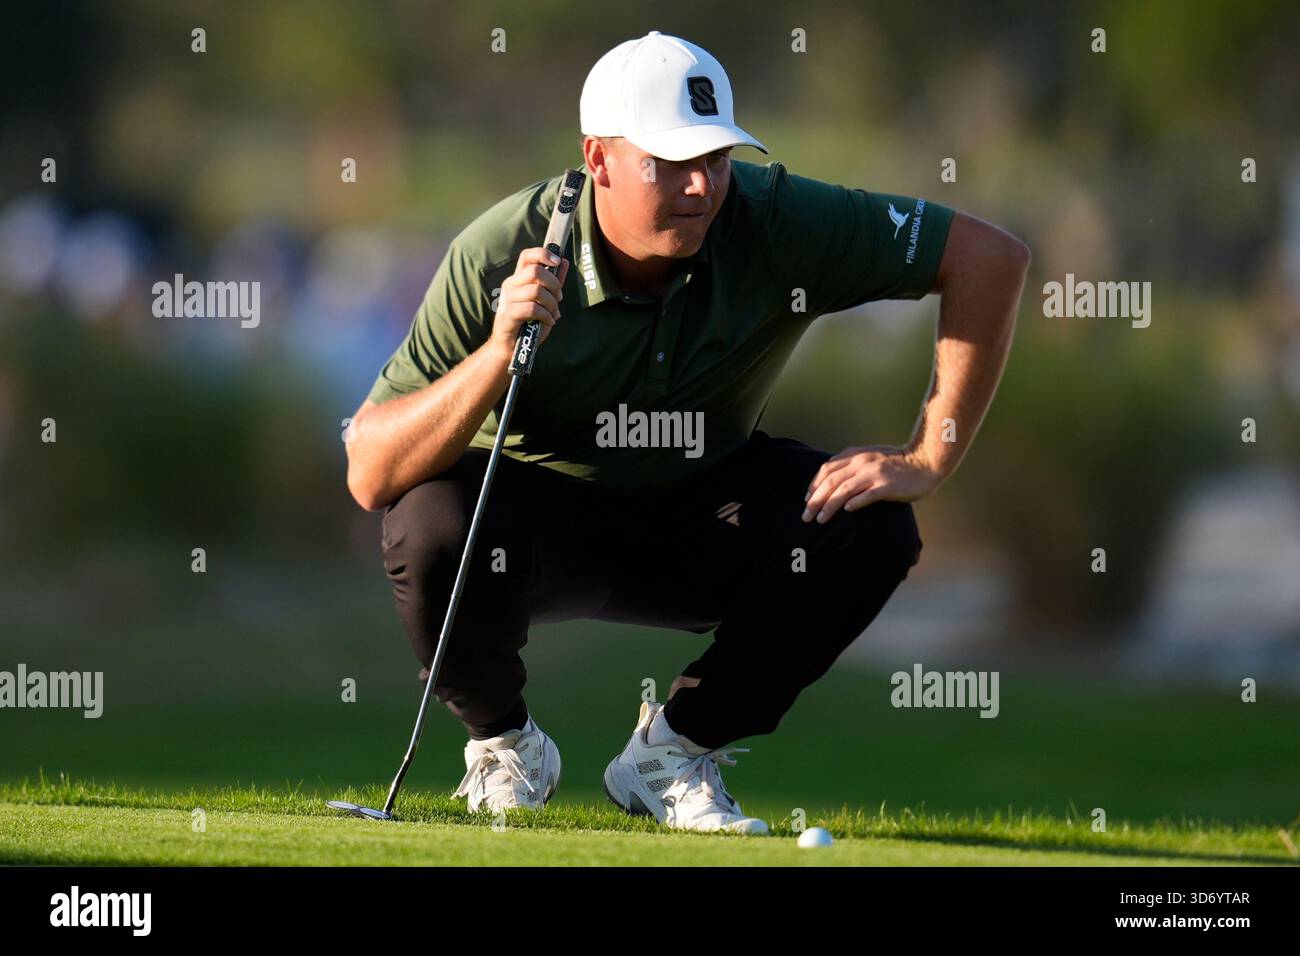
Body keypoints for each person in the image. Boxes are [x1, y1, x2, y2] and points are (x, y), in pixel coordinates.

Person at [345, 31, 1030, 835]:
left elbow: (988, 257)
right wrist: (497, 355)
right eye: (668, 163)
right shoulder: (505, 250)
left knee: (872, 525)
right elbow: (368, 469)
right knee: (428, 522)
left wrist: (930, 452)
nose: (702, 186)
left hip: (701, 519)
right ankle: (506, 747)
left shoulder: (775, 219)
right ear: (597, 160)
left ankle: (672, 754)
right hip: (535, 527)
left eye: (716, 158)